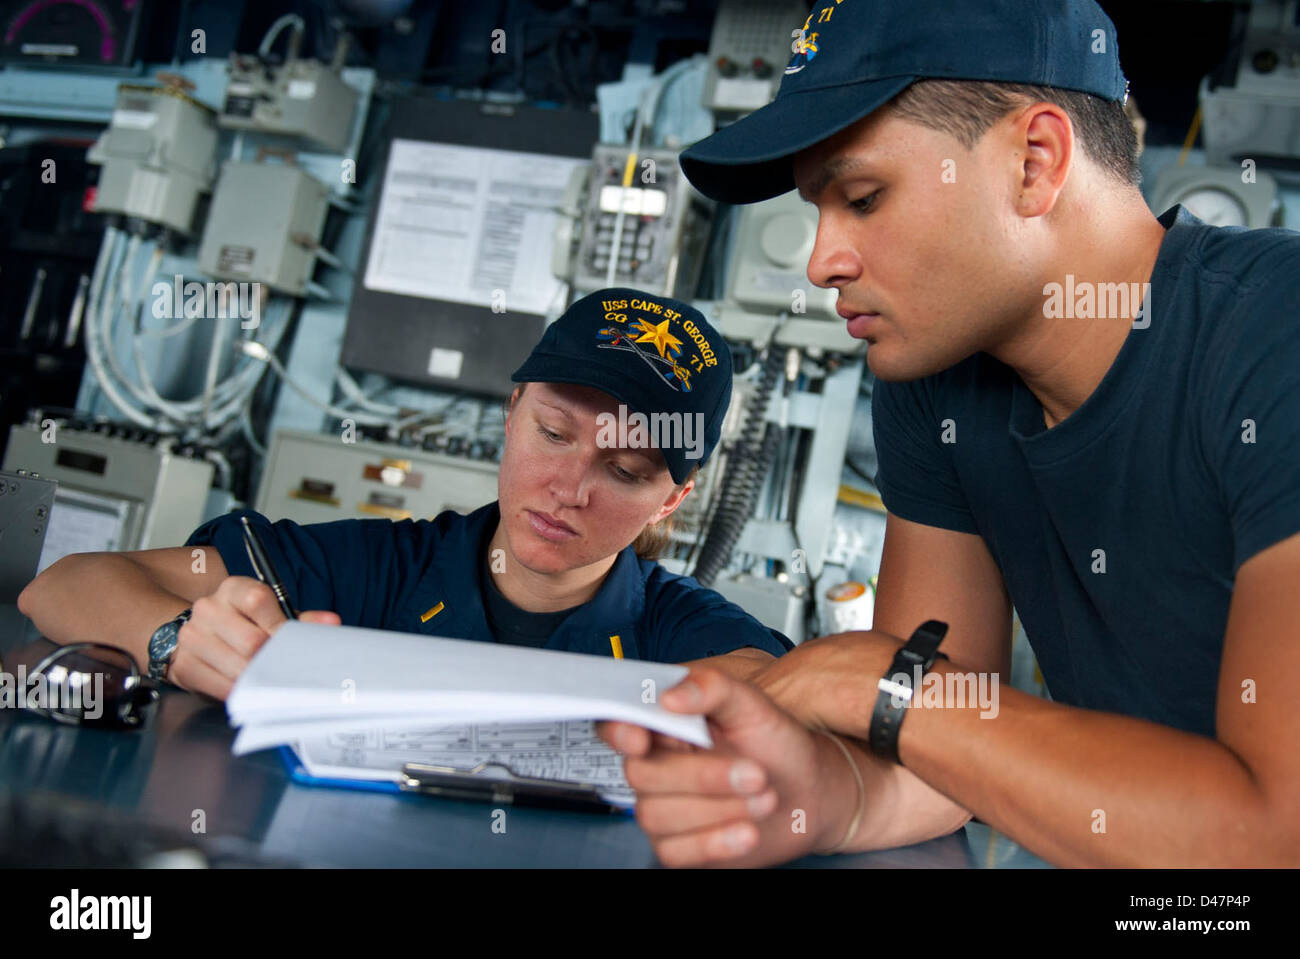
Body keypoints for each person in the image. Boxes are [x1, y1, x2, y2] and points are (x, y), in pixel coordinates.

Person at [598, 0, 1300, 867]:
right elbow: (937, 763)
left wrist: (879, 682)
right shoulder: (935, 383)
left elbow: (1272, 834)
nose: (821, 262)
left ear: (1035, 162)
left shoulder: (1275, 332)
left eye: (862, 197)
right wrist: (812, 792)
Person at [18, 288, 790, 701]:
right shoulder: (373, 569)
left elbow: (799, 698)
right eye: (553, 433)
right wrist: (176, 641)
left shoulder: (681, 628)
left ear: (670, 501)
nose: (569, 488)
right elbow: (63, 586)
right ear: (511, 414)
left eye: (625, 471)